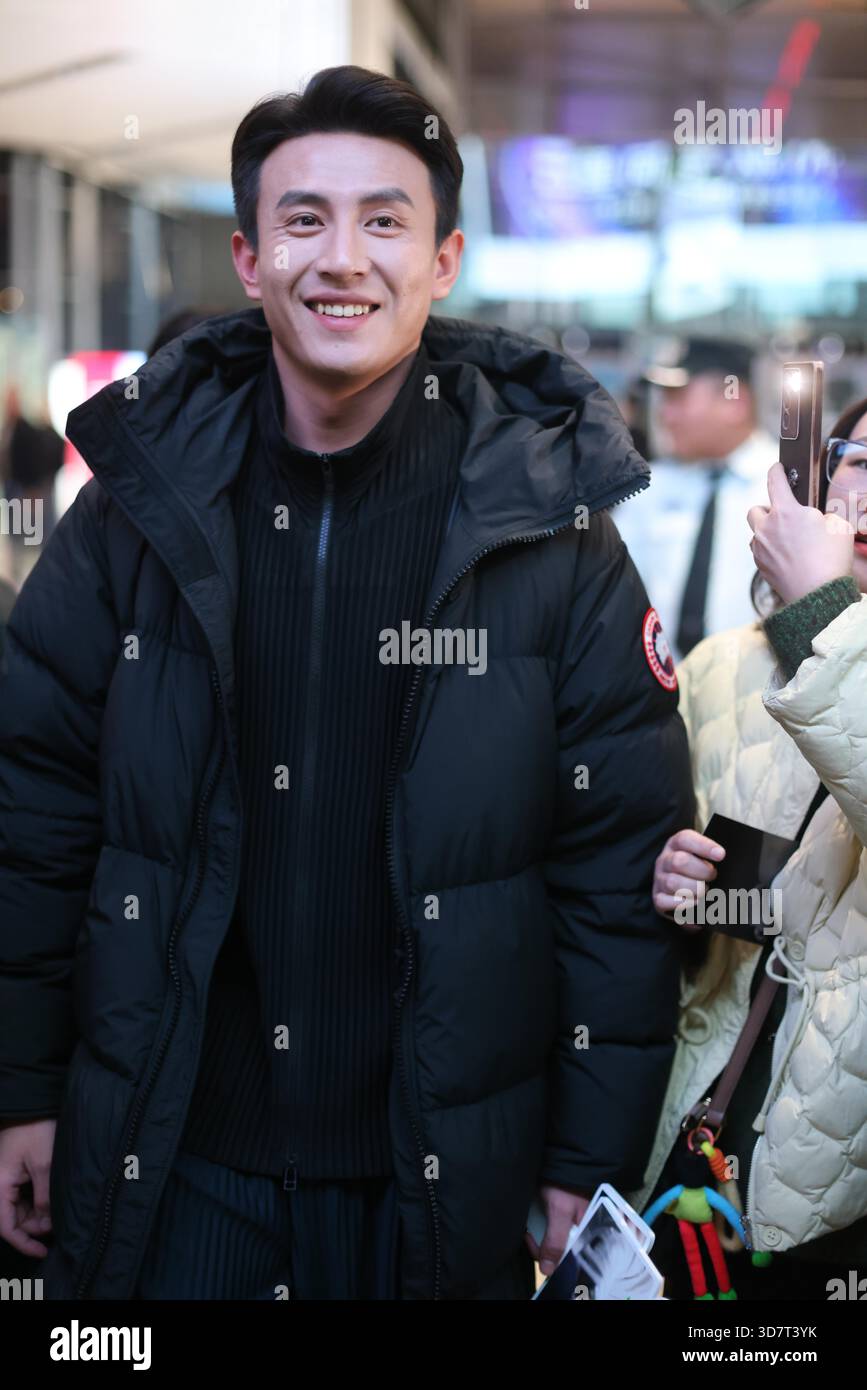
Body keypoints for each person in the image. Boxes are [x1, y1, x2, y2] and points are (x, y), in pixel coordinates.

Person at [0, 64, 692, 1301]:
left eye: (386, 221)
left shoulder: (549, 534)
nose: (343, 259)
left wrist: (584, 1157)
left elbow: (611, 865)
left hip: (434, 1179)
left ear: (444, 259)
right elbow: (33, 813)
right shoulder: (134, 514)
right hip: (176, 1165)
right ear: (250, 255)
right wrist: (19, 1090)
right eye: (304, 220)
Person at [629, 397, 867, 1298]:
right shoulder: (723, 662)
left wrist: (821, 612)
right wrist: (671, 885)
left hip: (838, 1190)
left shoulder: (803, 626)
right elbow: (671, 878)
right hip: (699, 1129)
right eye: (859, 461)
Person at [613, 338, 778, 662]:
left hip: (762, 694)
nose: (665, 415)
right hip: (659, 688)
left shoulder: (789, 486)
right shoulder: (647, 487)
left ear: (735, 402)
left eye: (678, 398)